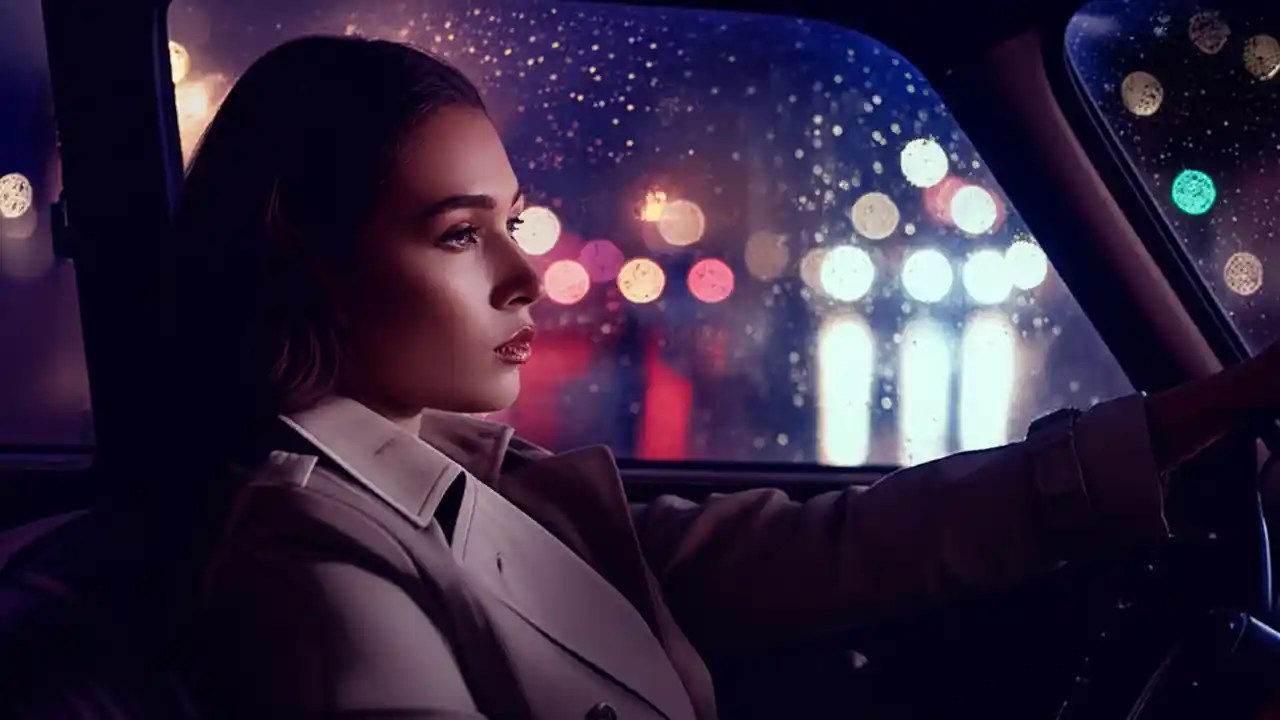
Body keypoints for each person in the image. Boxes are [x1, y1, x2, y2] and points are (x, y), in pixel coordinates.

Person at [173, 35, 1280, 719]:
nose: (528, 275)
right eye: (460, 234)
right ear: (308, 266)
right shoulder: (312, 555)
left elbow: (822, 549)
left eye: (512, 220)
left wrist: (1193, 417)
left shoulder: (465, 480)